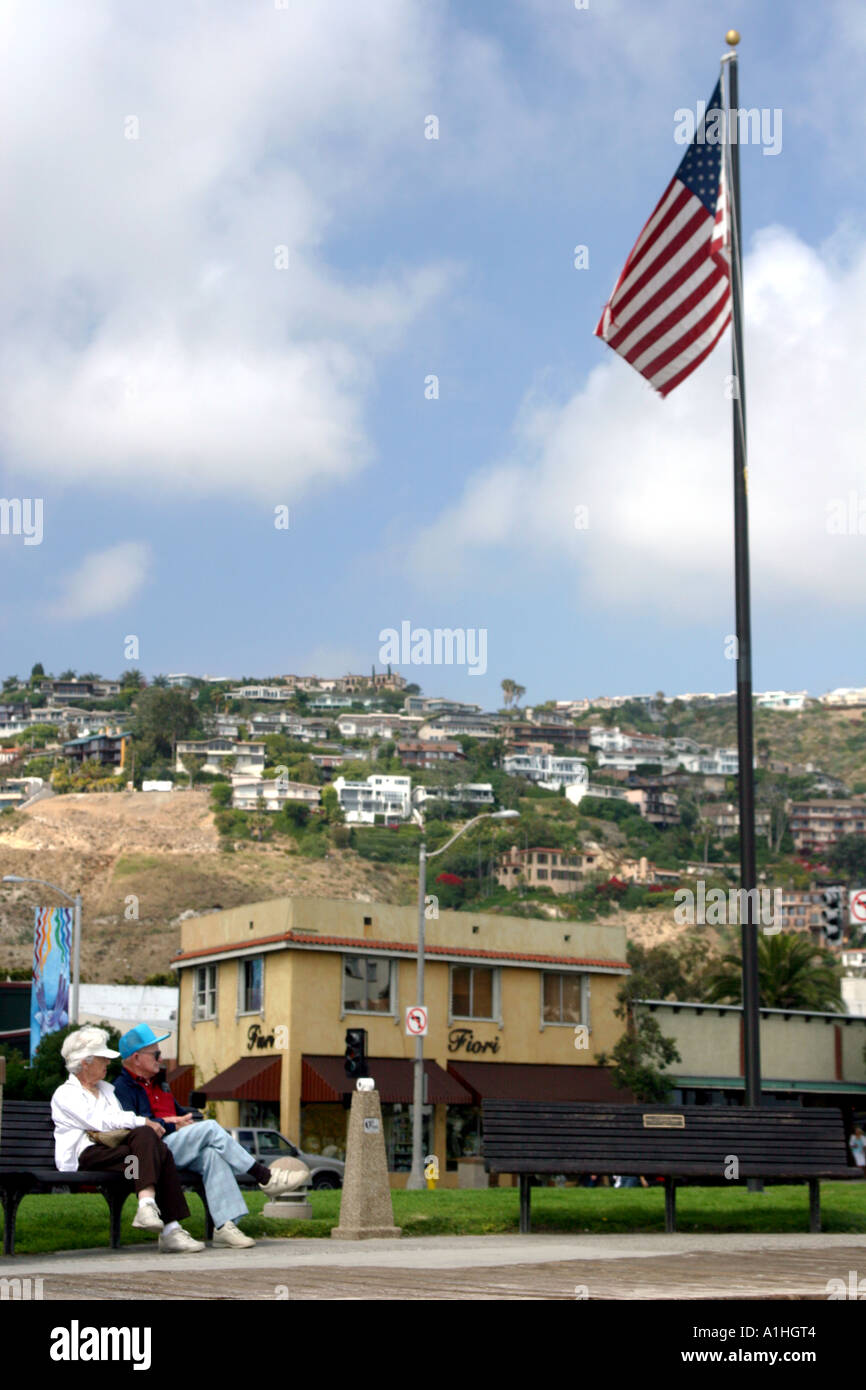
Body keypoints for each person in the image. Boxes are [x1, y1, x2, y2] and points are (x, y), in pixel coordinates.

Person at [113, 1024, 308, 1249]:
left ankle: (224, 1226)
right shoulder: (122, 1088)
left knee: (211, 1155)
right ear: (136, 1058)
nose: (161, 1057)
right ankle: (264, 1177)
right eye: (156, 1053)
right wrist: (172, 1125)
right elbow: (138, 1129)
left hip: (175, 1145)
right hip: (153, 1153)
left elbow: (179, 1115)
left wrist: (184, 1122)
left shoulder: (161, 1085)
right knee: (211, 1128)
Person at [50, 1025, 206, 1253]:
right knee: (152, 1145)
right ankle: (167, 1226)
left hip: (127, 1165)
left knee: (153, 1151)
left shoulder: (107, 1090)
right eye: (103, 1059)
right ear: (86, 1062)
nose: (108, 1063)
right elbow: (101, 1121)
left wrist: (142, 1124)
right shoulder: (66, 1094)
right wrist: (143, 1121)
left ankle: (150, 1208)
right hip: (86, 1156)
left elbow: (119, 1121)